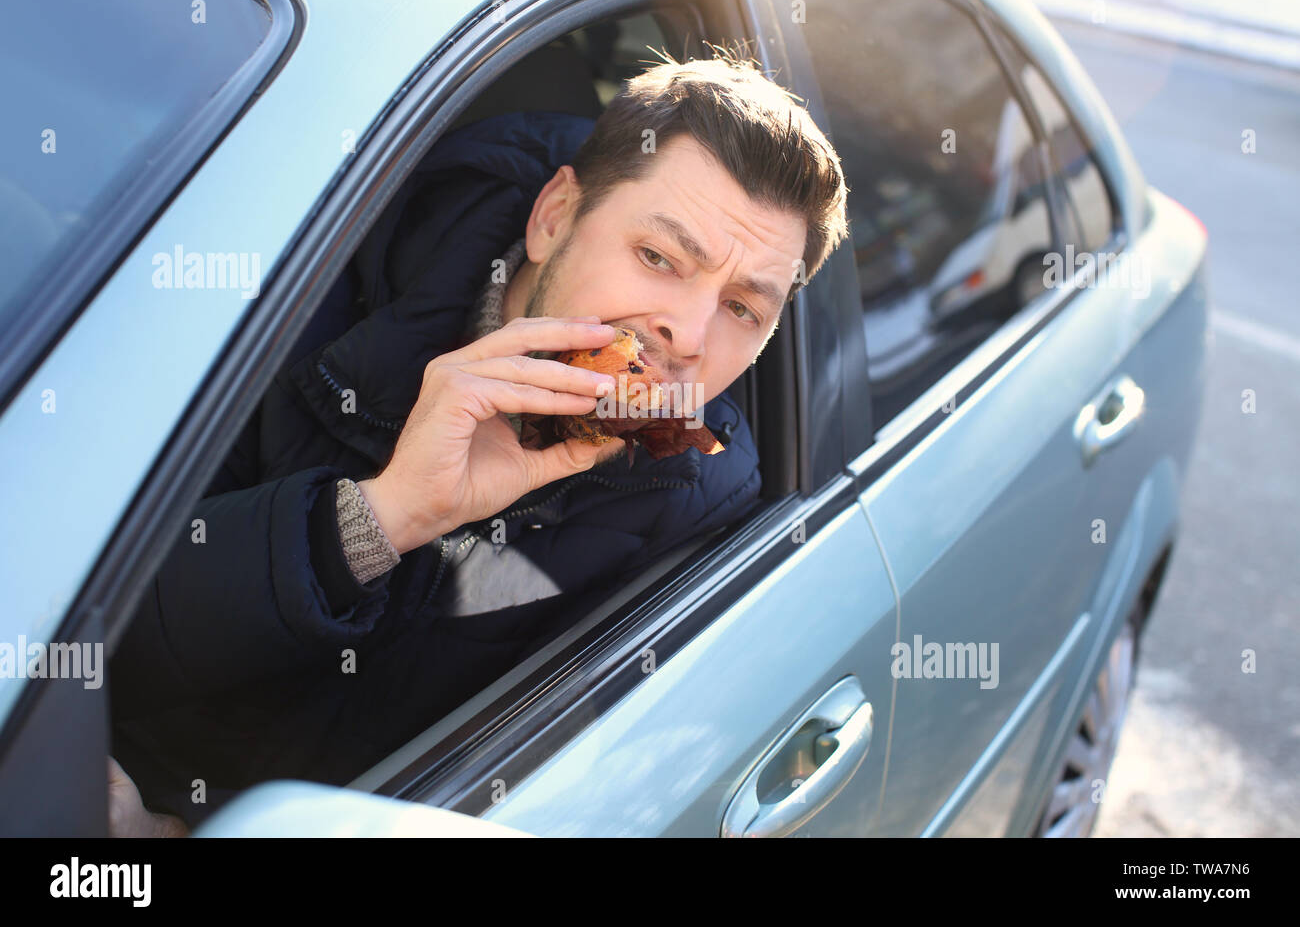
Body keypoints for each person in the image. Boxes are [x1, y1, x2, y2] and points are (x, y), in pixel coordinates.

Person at [105, 51, 849, 834]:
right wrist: (382, 515)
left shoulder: (698, 497)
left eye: (741, 309)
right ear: (553, 217)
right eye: (659, 257)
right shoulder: (304, 284)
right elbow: (82, 637)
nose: (688, 338)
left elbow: (541, 786)